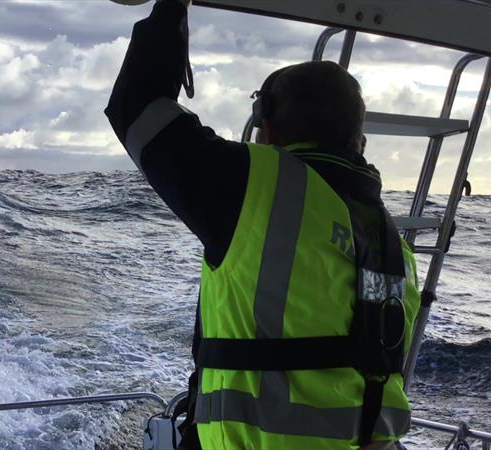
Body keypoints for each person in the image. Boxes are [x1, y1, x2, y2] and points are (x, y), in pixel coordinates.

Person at [105, 1, 421, 449]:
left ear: (267, 132)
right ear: (360, 141)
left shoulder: (251, 185)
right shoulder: (392, 245)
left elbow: (136, 107)